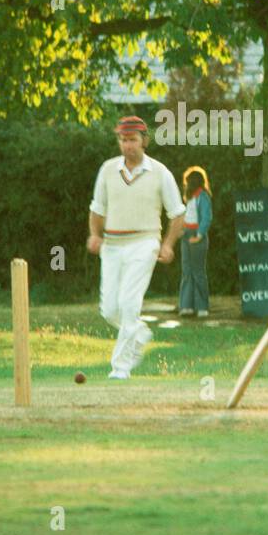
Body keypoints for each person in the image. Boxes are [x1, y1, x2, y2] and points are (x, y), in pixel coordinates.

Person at [86, 115, 186, 379]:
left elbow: (177, 214)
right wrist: (95, 234)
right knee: (110, 310)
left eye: (132, 140)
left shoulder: (160, 172)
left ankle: (121, 368)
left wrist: (167, 245)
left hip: (144, 244)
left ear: (144, 141)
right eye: (122, 140)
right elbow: (97, 209)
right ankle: (140, 333)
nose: (127, 145)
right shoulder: (108, 169)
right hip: (113, 246)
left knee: (129, 304)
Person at [178, 166, 213, 319]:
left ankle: (202, 307)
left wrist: (199, 235)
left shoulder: (203, 196)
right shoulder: (189, 196)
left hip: (197, 235)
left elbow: (206, 217)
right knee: (187, 271)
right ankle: (186, 306)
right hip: (186, 234)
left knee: (198, 271)